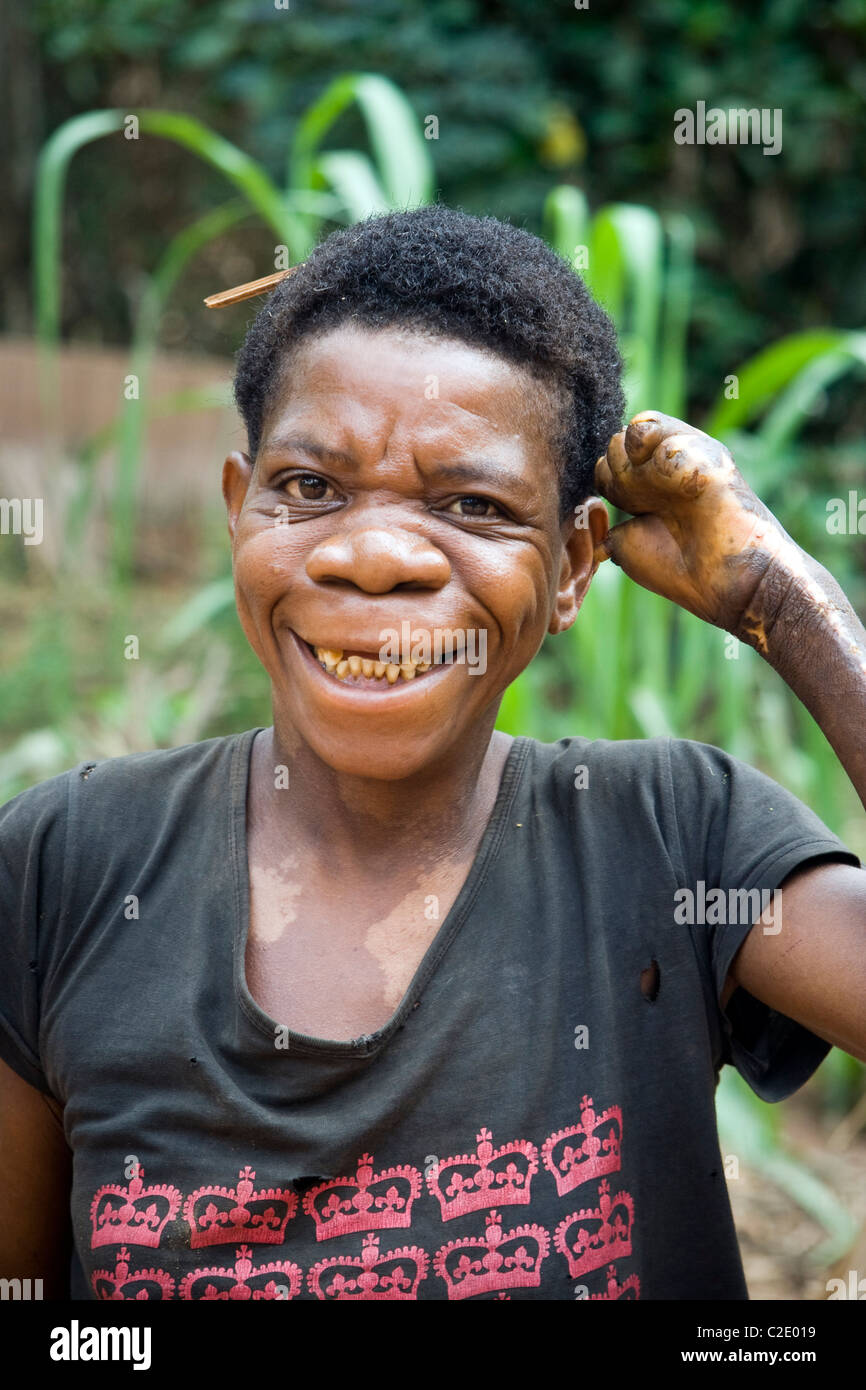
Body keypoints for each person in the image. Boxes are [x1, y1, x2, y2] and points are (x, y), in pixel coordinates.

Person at [1, 206, 864, 1302]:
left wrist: (782, 601)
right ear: (238, 511)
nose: (373, 556)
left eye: (471, 503)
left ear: (570, 566)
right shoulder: (66, 867)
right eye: (309, 488)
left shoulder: (671, 836)